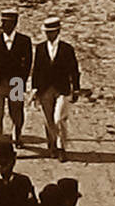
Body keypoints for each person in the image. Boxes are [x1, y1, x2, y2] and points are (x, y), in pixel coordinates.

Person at [0, 8, 33, 146]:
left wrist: (22, 80)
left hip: (16, 82)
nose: (3, 26)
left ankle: (17, 136)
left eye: (6, 23)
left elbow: (27, 63)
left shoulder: (24, 41)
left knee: (16, 113)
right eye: (2, 22)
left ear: (14, 24)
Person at [30, 16, 80, 161]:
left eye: (51, 32)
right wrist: (34, 89)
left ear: (58, 32)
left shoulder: (67, 49)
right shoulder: (40, 48)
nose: (49, 35)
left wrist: (76, 88)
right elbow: (36, 70)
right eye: (46, 32)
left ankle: (61, 147)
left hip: (62, 88)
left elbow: (74, 70)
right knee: (48, 120)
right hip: (45, 89)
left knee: (59, 119)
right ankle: (52, 145)